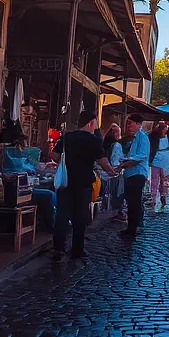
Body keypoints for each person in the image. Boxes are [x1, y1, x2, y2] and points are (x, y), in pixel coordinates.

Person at [53, 110, 104, 260]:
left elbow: (54, 155)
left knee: (62, 215)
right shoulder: (94, 140)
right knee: (80, 217)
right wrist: (112, 170)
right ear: (91, 123)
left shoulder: (67, 137)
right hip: (84, 183)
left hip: (66, 182)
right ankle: (77, 249)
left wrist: (65, 163)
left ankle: (58, 248)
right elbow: (102, 160)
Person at [120, 114, 150, 235]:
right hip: (130, 173)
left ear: (138, 124)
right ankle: (131, 227)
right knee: (130, 201)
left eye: (130, 123)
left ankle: (133, 228)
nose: (128, 126)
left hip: (137, 173)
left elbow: (141, 156)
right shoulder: (133, 138)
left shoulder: (142, 138)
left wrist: (126, 163)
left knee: (134, 202)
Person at [148, 121, 169, 212]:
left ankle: (162, 195)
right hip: (159, 158)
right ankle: (154, 198)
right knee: (156, 180)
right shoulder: (153, 137)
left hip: (165, 158)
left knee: (163, 180)